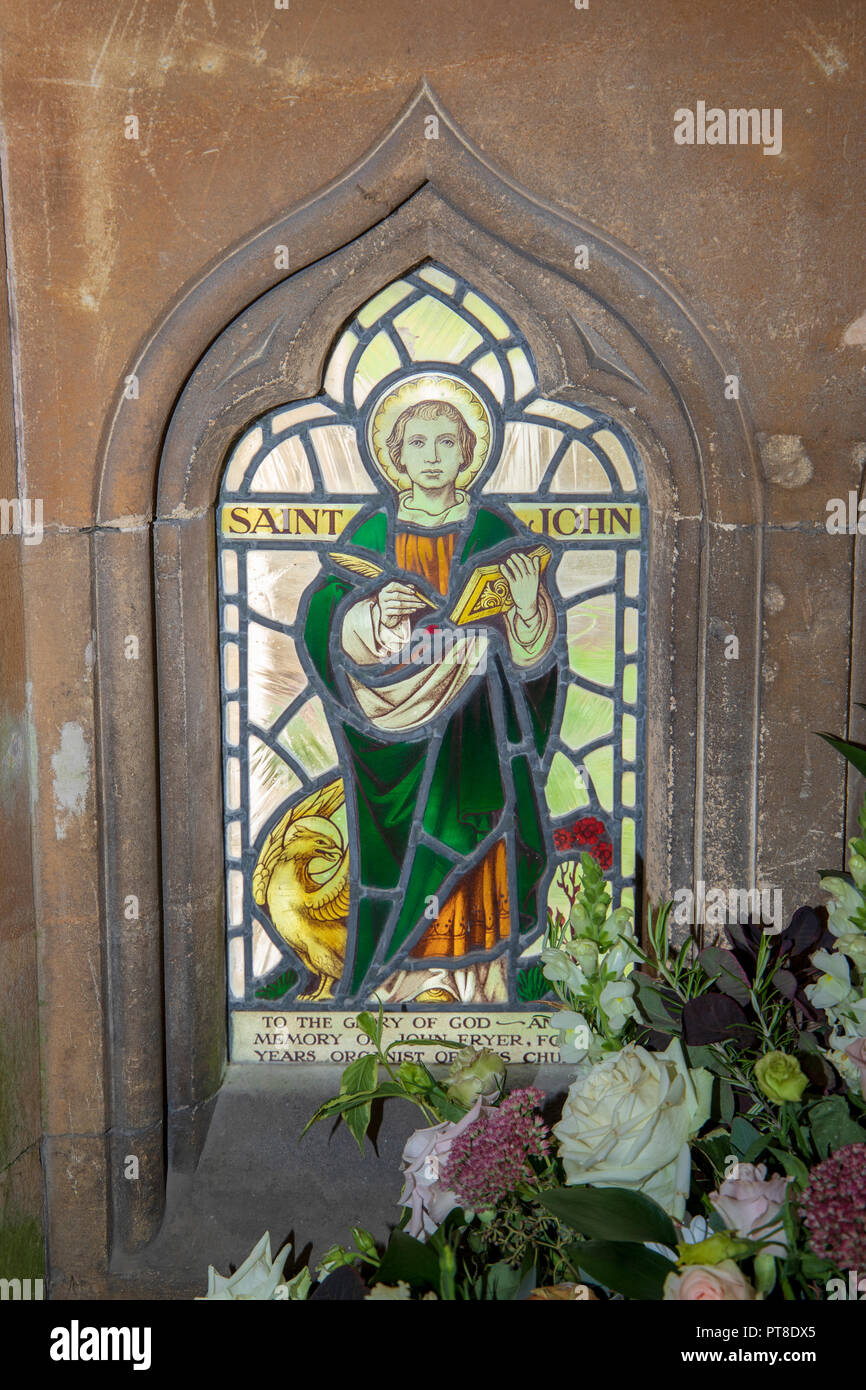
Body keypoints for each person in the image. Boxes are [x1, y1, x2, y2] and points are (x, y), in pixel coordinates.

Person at [303, 375, 557, 1003]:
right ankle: (405, 981)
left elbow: (536, 661)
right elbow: (324, 625)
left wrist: (525, 607)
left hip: (480, 718)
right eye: (418, 441)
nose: (435, 454)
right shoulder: (369, 535)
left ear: (471, 451)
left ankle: (480, 982)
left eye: (449, 440)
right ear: (396, 454)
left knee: (485, 828)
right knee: (407, 844)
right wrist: (372, 617)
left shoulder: (495, 530)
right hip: (394, 721)